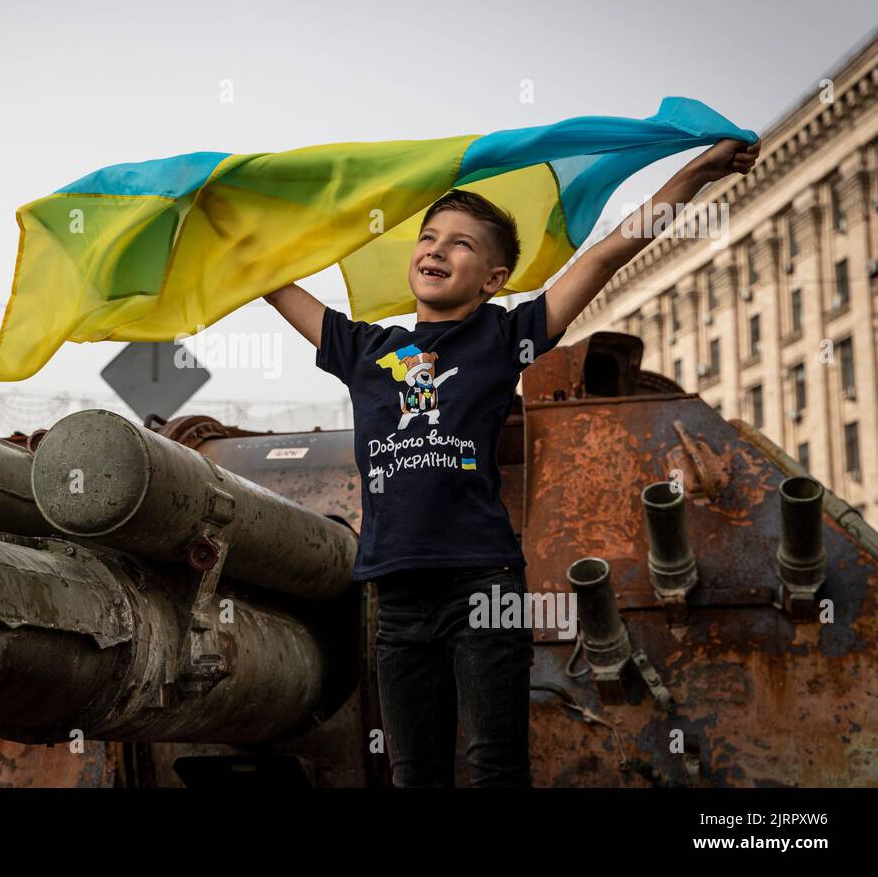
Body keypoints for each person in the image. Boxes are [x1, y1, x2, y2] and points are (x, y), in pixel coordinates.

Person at [263, 136, 760, 786]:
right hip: (395, 595)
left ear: (494, 279)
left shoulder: (503, 338)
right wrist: (218, 217)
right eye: (429, 237)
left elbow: (611, 252)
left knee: (495, 766)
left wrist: (694, 175)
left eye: (461, 244)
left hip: (481, 586)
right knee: (414, 773)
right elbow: (270, 282)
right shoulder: (363, 348)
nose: (437, 249)